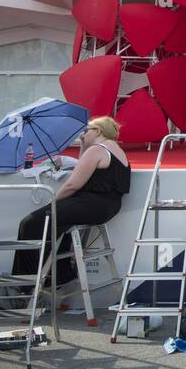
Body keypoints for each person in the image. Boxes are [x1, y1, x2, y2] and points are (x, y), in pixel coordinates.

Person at [14, 116, 131, 281]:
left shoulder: (97, 149)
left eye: (85, 131)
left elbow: (72, 185)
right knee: (60, 225)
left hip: (93, 204)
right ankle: (61, 274)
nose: (82, 135)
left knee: (31, 222)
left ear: (97, 131)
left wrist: (52, 202)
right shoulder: (115, 149)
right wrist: (84, 143)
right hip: (108, 206)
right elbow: (84, 165)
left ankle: (28, 281)